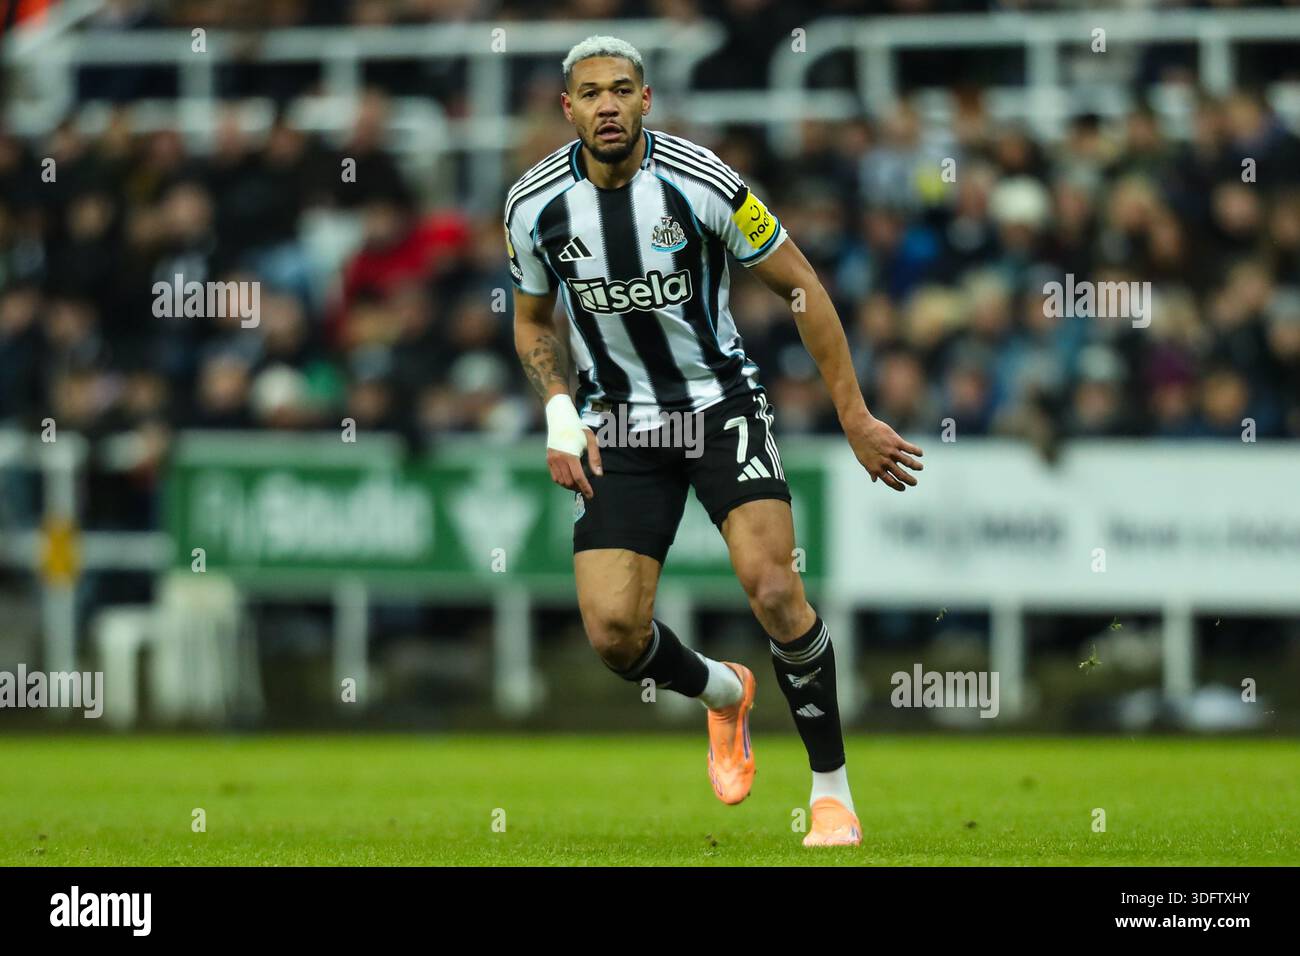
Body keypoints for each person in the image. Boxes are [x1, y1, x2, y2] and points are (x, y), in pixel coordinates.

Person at [506, 35, 923, 847]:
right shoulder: (533, 206)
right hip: (619, 423)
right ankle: (723, 693)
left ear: (647, 98)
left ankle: (831, 792)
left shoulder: (704, 184)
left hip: (719, 405)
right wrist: (561, 413)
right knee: (614, 636)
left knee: (773, 587)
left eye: (622, 90)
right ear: (568, 109)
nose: (608, 106)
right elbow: (529, 322)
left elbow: (800, 285)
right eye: (590, 93)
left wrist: (854, 414)